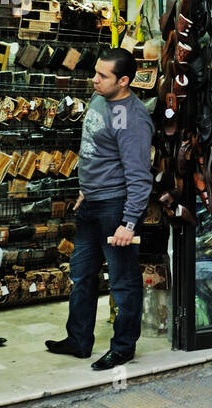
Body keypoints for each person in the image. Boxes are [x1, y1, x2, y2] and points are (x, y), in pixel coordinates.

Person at [47, 47, 153, 370]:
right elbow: (96, 152)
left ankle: (123, 347)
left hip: (114, 207)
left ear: (123, 81)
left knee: (121, 280)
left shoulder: (132, 118)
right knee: (81, 274)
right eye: (95, 72)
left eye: (102, 76)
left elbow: (139, 175)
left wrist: (129, 222)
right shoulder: (100, 98)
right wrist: (84, 190)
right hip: (91, 202)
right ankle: (79, 339)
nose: (94, 80)